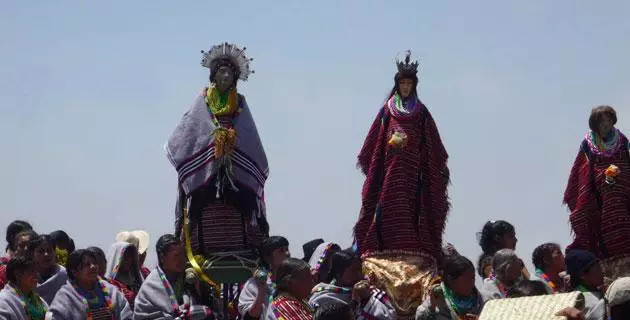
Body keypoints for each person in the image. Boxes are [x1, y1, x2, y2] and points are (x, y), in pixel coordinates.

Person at [354, 50, 450, 318]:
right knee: (384, 204)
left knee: (415, 210)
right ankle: (383, 245)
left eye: (409, 84)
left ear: (414, 86)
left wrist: (428, 164)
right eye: (402, 83)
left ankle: (415, 245)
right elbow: (371, 146)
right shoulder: (387, 111)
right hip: (389, 171)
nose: (406, 87)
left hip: (415, 176)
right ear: (397, 85)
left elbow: (434, 147)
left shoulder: (422, 113)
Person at [166, 43, 269, 262]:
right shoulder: (203, 98)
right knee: (199, 199)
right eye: (222, 71)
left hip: (234, 155)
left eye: (230, 72)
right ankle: (193, 246)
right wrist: (213, 136)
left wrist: (232, 139)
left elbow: (247, 130)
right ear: (213, 75)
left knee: (243, 200)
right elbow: (191, 127)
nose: (225, 75)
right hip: (208, 155)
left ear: (235, 77)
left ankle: (251, 245)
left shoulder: (239, 102)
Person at [564, 106, 630, 283]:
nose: (605, 124)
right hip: (600, 198)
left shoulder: (621, 139)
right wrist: (603, 177)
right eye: (601, 121)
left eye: (608, 120)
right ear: (595, 125)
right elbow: (583, 172)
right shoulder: (589, 144)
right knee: (601, 229)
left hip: (623, 194)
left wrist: (621, 176)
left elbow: (627, 161)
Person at [134, 234, 214, 319]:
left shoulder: (188, 277)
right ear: (162, 258)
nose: (182, 260)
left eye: (183, 255)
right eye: (176, 256)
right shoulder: (151, 286)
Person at [310, 249, 395, 320]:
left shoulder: (370, 287)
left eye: (360, 269)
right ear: (339, 274)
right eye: (354, 270)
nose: (360, 275)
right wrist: (356, 300)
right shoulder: (323, 298)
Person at [48, 249, 131, 319]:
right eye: (87, 264)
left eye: (94, 263)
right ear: (74, 272)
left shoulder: (111, 290)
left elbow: (126, 314)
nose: (93, 266)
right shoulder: (65, 296)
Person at [416, 255, 484, 320]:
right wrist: (431, 308)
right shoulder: (438, 298)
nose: (471, 283)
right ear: (450, 280)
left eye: (473, 278)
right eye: (466, 280)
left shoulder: (482, 301)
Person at [238, 236, 290, 319]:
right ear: (268, 258)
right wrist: (261, 290)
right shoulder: (254, 283)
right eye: (281, 250)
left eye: (287, 249)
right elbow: (251, 316)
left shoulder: (292, 281)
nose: (288, 254)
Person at [565, 250, 605, 320]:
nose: (602, 272)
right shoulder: (592, 302)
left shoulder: (574, 295)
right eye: (598, 269)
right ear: (583, 275)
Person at [28, 234, 68, 305]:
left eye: (49, 250)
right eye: (41, 251)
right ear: (32, 254)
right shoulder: (25, 277)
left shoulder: (63, 275)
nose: (46, 254)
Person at [105, 241, 144, 309]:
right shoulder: (107, 285)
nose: (128, 260)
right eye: (124, 256)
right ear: (116, 258)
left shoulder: (136, 281)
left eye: (130, 256)